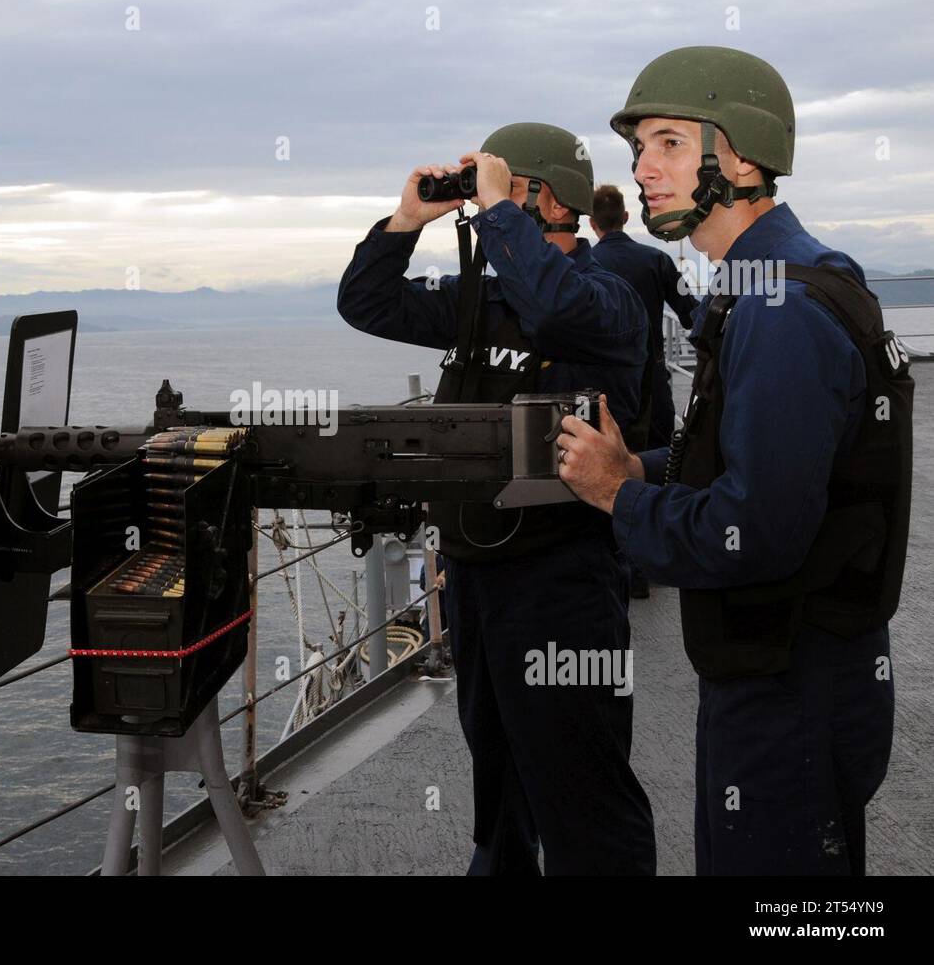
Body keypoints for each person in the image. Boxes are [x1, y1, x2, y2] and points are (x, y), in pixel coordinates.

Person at [554, 46, 912, 875]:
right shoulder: (779, 279)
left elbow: (759, 530)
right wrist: (644, 468)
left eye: (670, 143)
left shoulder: (779, 310)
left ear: (740, 157)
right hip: (793, 663)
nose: (643, 168)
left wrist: (618, 498)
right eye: (638, 147)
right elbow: (757, 462)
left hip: (790, 682)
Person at [337, 122, 656, 875]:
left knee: (583, 789)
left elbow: (552, 309)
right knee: (500, 772)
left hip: (563, 581)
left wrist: (499, 215)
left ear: (541, 198)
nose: (481, 204)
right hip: (477, 579)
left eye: (500, 186)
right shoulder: (475, 304)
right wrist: (406, 222)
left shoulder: (607, 302)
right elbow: (367, 304)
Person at [590, 184, 699, 599]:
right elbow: (694, 316)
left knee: (606, 471)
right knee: (652, 467)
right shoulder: (656, 260)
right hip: (652, 384)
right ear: (626, 218)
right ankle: (650, 559)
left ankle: (619, 568)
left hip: (604, 389)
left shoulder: (586, 265)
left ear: (592, 223)